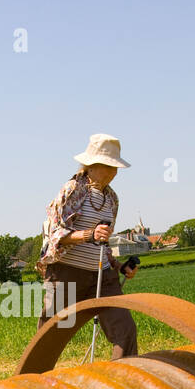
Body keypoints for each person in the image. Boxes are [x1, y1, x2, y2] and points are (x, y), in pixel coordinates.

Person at [36, 133, 140, 359]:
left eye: (115, 167)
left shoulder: (112, 198)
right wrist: (89, 234)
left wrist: (120, 266)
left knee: (125, 329)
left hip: (102, 275)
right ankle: (33, 383)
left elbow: (103, 242)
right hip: (67, 273)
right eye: (108, 166)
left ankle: (123, 381)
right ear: (91, 165)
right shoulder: (73, 190)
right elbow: (56, 234)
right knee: (53, 334)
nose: (114, 172)